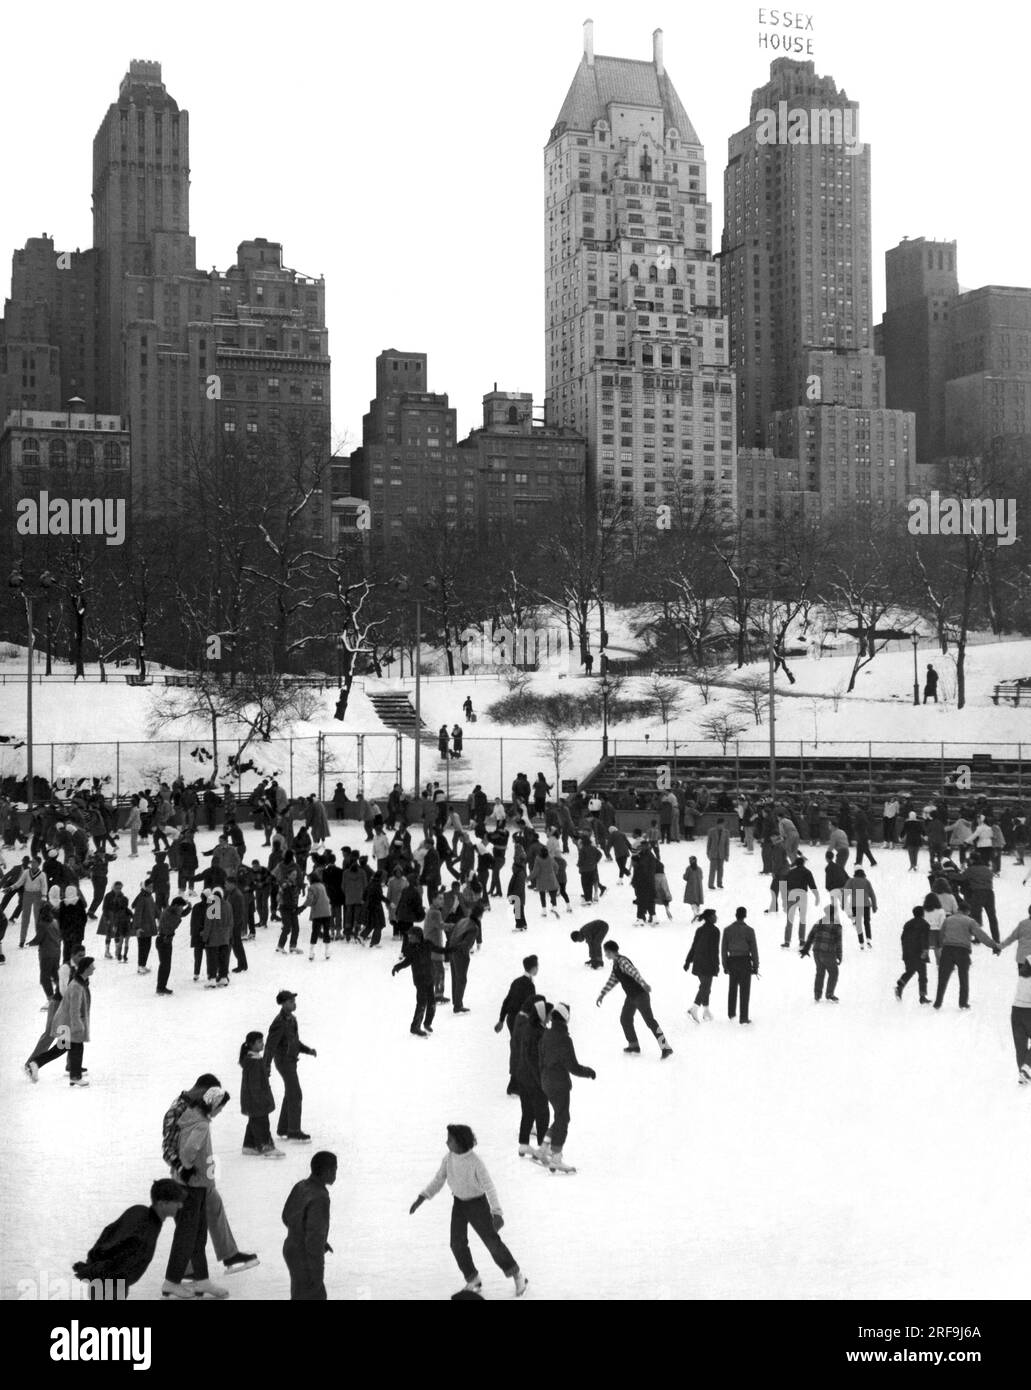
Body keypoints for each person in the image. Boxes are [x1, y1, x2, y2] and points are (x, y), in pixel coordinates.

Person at [410, 1124, 528, 1298]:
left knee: (492, 1243)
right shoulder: (448, 1159)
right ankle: (473, 1278)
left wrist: (497, 1212)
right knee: (456, 1244)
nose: (446, 1142)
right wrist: (423, 1196)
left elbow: (490, 1187)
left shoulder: (475, 1162)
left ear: (460, 1142)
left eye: (450, 1140)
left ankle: (517, 1274)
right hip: (459, 1204)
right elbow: (438, 1180)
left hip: (478, 1206)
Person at [161, 1086, 231, 1300]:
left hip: (195, 1186)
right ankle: (171, 1282)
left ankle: (202, 1280)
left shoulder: (191, 1117)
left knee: (197, 1235)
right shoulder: (200, 1124)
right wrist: (188, 1167)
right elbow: (190, 1150)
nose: (220, 1111)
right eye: (220, 1107)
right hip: (192, 1186)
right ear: (213, 1104)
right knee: (186, 1236)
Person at [73, 1179, 188, 1300]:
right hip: (111, 1287)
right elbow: (117, 1265)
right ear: (162, 1203)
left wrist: (90, 1264)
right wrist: (89, 1271)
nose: (180, 1205)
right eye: (176, 1202)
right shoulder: (146, 1235)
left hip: (107, 1282)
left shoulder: (138, 1210)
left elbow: (108, 1233)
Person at [538, 1003, 595, 1173]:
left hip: (546, 1081)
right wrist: (589, 1072)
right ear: (566, 1018)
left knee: (560, 1115)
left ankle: (544, 1147)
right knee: (563, 1118)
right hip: (559, 1083)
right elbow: (573, 1066)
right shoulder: (564, 1039)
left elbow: (540, 1059)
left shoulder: (545, 1034)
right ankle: (556, 1157)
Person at [597, 941, 673, 1058]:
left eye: (605, 952)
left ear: (610, 951)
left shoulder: (622, 962)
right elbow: (612, 980)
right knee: (625, 1019)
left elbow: (634, 973)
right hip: (631, 997)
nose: (605, 955)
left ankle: (665, 1047)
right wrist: (602, 994)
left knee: (650, 1021)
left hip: (641, 995)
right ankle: (634, 1045)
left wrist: (643, 984)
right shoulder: (616, 964)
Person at [27, 955, 95, 1085]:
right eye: (92, 966)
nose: (94, 968)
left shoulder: (81, 982)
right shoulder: (76, 986)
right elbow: (74, 1009)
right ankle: (75, 1076)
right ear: (86, 969)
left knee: (62, 1048)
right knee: (75, 1047)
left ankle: (36, 1063)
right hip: (69, 1023)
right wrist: (78, 1025)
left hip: (68, 1022)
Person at [282, 1151, 338, 1300]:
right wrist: (317, 1271)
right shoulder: (320, 1197)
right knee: (314, 1294)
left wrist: (298, 1233)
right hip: (305, 1257)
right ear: (326, 1171)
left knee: (300, 1293)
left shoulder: (301, 1185)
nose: (335, 1175)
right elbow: (314, 1238)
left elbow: (286, 1216)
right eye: (334, 1170)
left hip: (291, 1249)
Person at [264, 991, 316, 1141]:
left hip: (291, 1061)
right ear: (284, 1003)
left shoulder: (291, 1019)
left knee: (291, 1092)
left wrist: (308, 1050)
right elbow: (270, 1046)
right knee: (296, 1094)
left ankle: (283, 1128)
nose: (294, 1003)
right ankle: (293, 1129)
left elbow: (294, 1042)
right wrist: (266, 1067)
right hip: (284, 1062)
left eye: (294, 1001)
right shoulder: (279, 1022)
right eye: (291, 1001)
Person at [933, 908, 1000, 1009]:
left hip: (948, 950)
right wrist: (994, 946)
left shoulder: (948, 920)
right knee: (963, 978)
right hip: (962, 951)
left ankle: (938, 1002)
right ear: (968, 911)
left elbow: (941, 935)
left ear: (957, 910)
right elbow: (981, 935)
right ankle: (963, 1003)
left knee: (943, 978)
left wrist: (944, 946)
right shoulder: (970, 921)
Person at [511, 997, 550, 1159]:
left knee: (527, 1111)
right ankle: (542, 1148)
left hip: (522, 1077)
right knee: (543, 1113)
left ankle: (524, 1144)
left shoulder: (527, 1028)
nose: (549, 1017)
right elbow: (535, 1060)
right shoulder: (539, 1033)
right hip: (534, 1080)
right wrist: (541, 1081)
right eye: (548, 1014)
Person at [494, 955, 539, 1093]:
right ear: (533, 968)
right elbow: (530, 1006)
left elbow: (507, 1000)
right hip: (520, 1020)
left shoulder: (517, 982)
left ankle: (515, 1083)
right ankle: (515, 1084)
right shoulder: (529, 985)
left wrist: (501, 1020)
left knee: (517, 1048)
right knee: (521, 1050)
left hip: (511, 1019)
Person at [240, 1031, 284, 1158]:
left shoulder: (255, 1059)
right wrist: (260, 1100)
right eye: (259, 1042)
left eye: (262, 1041)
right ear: (251, 1044)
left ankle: (249, 1146)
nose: (262, 1044)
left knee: (254, 1121)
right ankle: (266, 1147)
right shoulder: (253, 1061)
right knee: (261, 1123)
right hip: (256, 1100)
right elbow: (254, 1084)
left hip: (254, 1099)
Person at [392, 925, 438, 1036]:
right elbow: (408, 961)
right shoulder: (411, 948)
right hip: (420, 980)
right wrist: (397, 967)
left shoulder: (427, 944)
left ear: (418, 936)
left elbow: (441, 950)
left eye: (411, 936)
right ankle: (415, 1027)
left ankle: (427, 1023)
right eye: (408, 936)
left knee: (432, 1002)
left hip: (429, 977)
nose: (409, 938)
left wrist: (454, 949)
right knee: (422, 1003)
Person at [721, 907, 759, 1025]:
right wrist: (755, 966)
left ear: (736, 915)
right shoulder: (749, 931)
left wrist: (725, 965)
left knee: (732, 987)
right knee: (744, 990)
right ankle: (743, 1017)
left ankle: (731, 1013)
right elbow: (754, 950)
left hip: (732, 960)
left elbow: (723, 949)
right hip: (745, 961)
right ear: (745, 916)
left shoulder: (727, 930)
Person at [800, 904, 843, 1002]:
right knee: (834, 972)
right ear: (834, 913)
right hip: (828, 952)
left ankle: (817, 995)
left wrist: (805, 949)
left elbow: (810, 936)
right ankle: (829, 994)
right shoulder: (837, 925)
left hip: (816, 952)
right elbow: (838, 943)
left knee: (820, 972)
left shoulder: (819, 922)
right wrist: (839, 956)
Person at [684, 908, 720, 1022]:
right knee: (705, 987)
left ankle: (706, 1010)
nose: (716, 917)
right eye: (714, 915)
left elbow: (694, 946)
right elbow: (714, 950)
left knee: (705, 987)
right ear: (709, 918)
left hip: (698, 962)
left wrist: (688, 961)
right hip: (708, 963)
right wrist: (717, 965)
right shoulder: (715, 931)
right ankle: (694, 1008)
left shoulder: (699, 930)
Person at [782, 854, 819, 949]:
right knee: (802, 918)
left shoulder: (790, 872)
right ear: (803, 863)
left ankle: (787, 942)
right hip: (802, 894)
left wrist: (784, 899)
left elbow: (784, 884)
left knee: (790, 919)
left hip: (791, 894)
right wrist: (817, 896)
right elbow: (812, 885)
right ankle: (802, 941)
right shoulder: (807, 872)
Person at [895, 905, 931, 1004]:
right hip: (919, 952)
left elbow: (902, 938)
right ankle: (922, 996)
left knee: (910, 971)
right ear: (923, 914)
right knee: (922, 975)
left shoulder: (907, 924)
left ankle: (900, 986)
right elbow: (925, 938)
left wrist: (905, 951)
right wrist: (925, 950)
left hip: (908, 953)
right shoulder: (925, 924)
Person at [843, 868, 877, 950]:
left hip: (856, 903)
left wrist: (843, 904)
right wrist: (874, 907)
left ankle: (861, 943)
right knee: (867, 922)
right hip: (865, 903)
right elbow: (872, 894)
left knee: (858, 923)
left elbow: (845, 892)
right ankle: (868, 940)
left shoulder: (851, 881)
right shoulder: (866, 881)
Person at [1010, 961, 1031, 1086]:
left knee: (1020, 1047)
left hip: (1017, 1009)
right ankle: (1027, 1068)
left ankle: (1022, 1073)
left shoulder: (1025, 968)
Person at [705, 817, 730, 890]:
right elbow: (709, 843)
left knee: (720, 870)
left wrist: (727, 855)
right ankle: (710, 884)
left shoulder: (726, 832)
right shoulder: (711, 831)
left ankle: (719, 883)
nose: (722, 826)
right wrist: (708, 852)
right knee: (712, 870)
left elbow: (727, 845)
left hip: (721, 854)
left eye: (723, 824)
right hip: (713, 853)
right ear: (717, 824)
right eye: (721, 824)